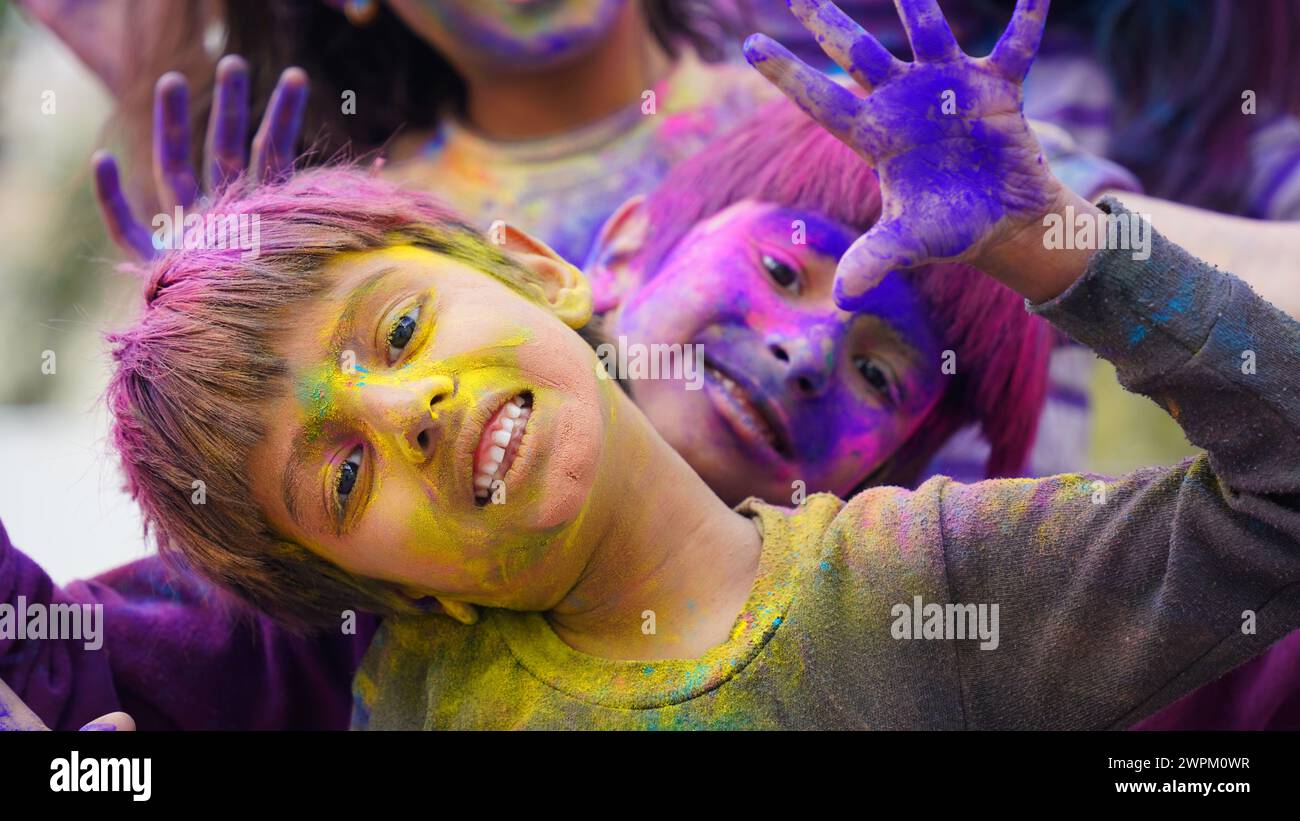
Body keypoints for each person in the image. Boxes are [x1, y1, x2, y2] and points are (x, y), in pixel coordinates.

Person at [97, 0, 1300, 729]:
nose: (410, 408)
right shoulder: (407, 675)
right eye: (344, 473)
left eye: (400, 334)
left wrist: (1051, 242)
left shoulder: (927, 590)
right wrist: (212, 359)